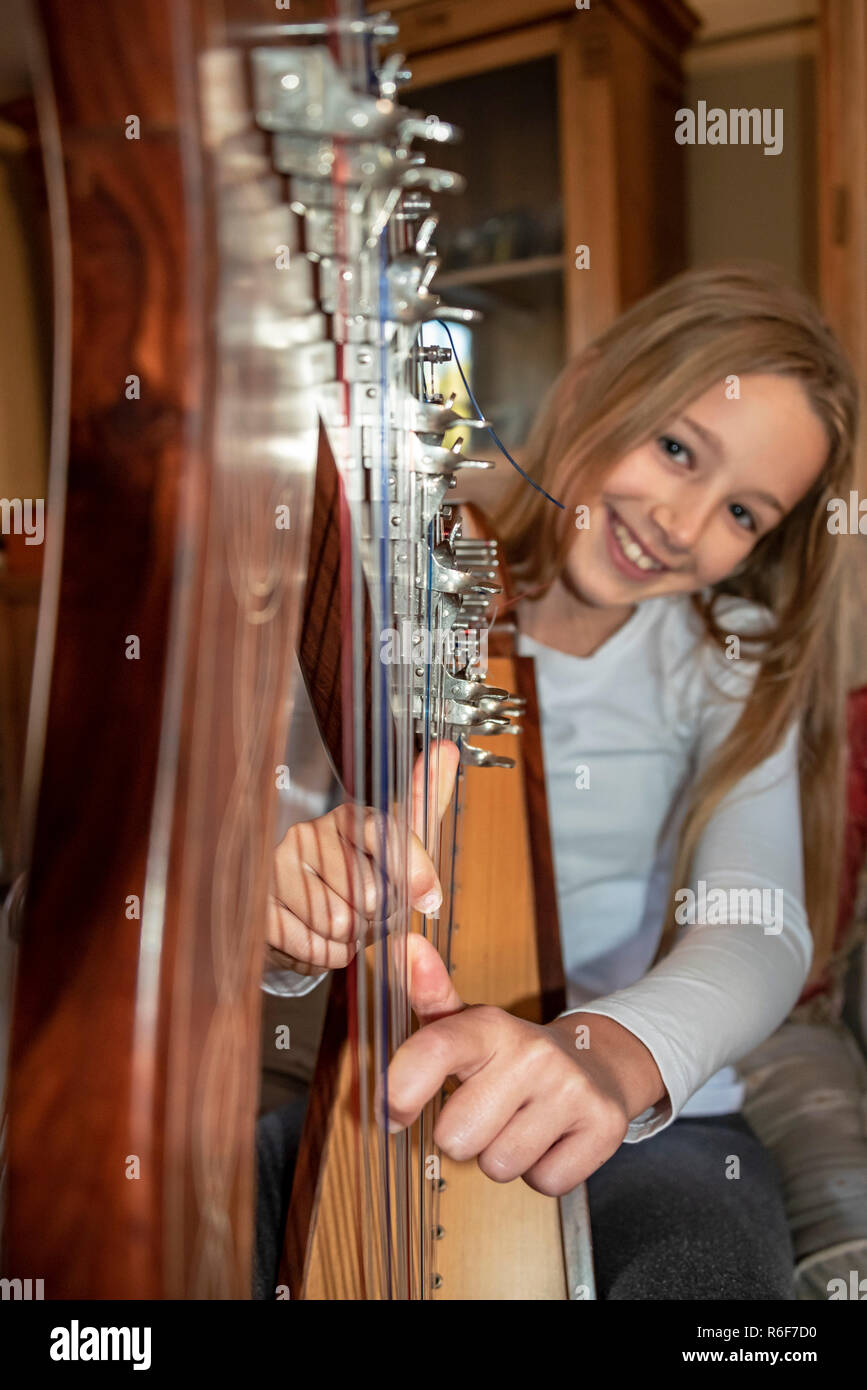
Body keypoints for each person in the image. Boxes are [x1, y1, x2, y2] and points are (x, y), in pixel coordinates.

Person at [264, 266, 860, 1299]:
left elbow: (759, 923)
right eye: (676, 449)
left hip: (649, 1120)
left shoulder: (731, 655)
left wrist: (604, 1056)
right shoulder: (389, 602)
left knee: (705, 1286)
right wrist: (282, 909)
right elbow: (262, 847)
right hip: (369, 1080)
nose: (681, 522)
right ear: (589, 385)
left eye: (743, 513)